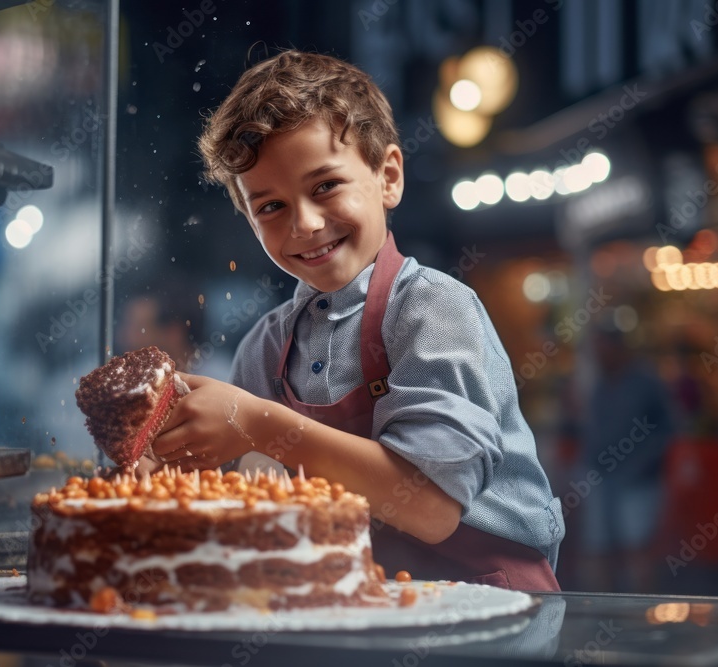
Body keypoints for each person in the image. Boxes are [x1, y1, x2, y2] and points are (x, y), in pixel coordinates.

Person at [151, 50, 564, 591]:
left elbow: (431, 507)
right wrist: (169, 464)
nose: (304, 223)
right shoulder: (264, 347)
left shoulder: (434, 310)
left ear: (388, 176)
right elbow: (256, 501)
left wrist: (254, 422)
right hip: (360, 606)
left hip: (497, 606)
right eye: (270, 206)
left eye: (325, 186)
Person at [576, 320, 675, 593]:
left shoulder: (646, 382)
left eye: (602, 348)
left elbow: (667, 429)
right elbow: (593, 432)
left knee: (635, 550)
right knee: (597, 549)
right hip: (599, 478)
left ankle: (637, 619)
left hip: (638, 482)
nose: (598, 355)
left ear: (618, 347)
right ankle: (601, 615)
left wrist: (641, 465)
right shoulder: (600, 385)